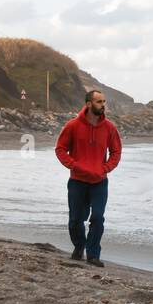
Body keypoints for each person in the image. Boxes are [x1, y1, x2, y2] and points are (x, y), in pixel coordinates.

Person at [54, 89, 122, 266]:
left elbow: (116, 151)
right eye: (99, 102)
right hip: (77, 181)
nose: (103, 105)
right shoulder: (73, 125)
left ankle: (93, 255)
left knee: (98, 217)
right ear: (89, 104)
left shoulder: (109, 128)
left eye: (104, 102)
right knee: (76, 219)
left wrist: (105, 168)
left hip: (99, 181)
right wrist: (74, 165)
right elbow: (60, 149)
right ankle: (79, 246)